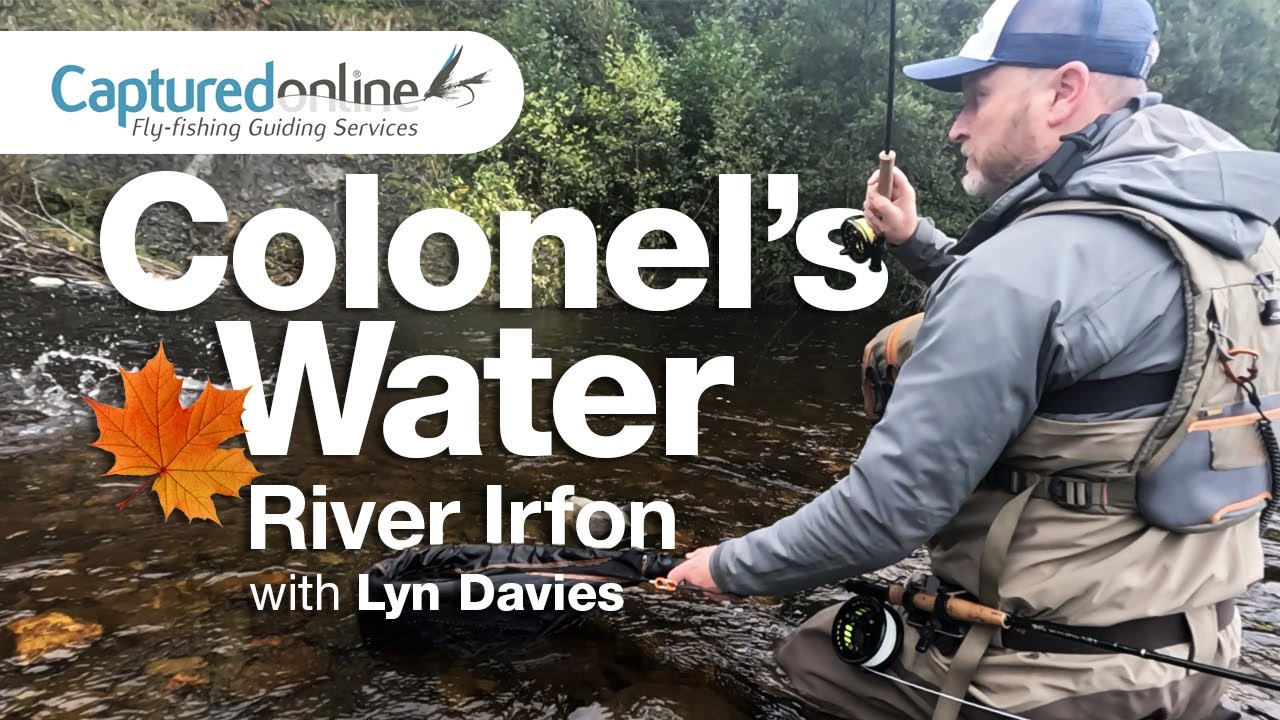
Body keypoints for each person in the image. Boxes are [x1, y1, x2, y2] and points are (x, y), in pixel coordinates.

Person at [668, 0, 1280, 717]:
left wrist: (722, 567)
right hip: (1205, 655)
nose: (957, 125)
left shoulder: (1022, 270)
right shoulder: (1244, 240)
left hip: (1050, 684)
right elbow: (1080, 321)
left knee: (805, 657)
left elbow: (884, 516)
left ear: (1065, 90)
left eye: (977, 97)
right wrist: (917, 242)